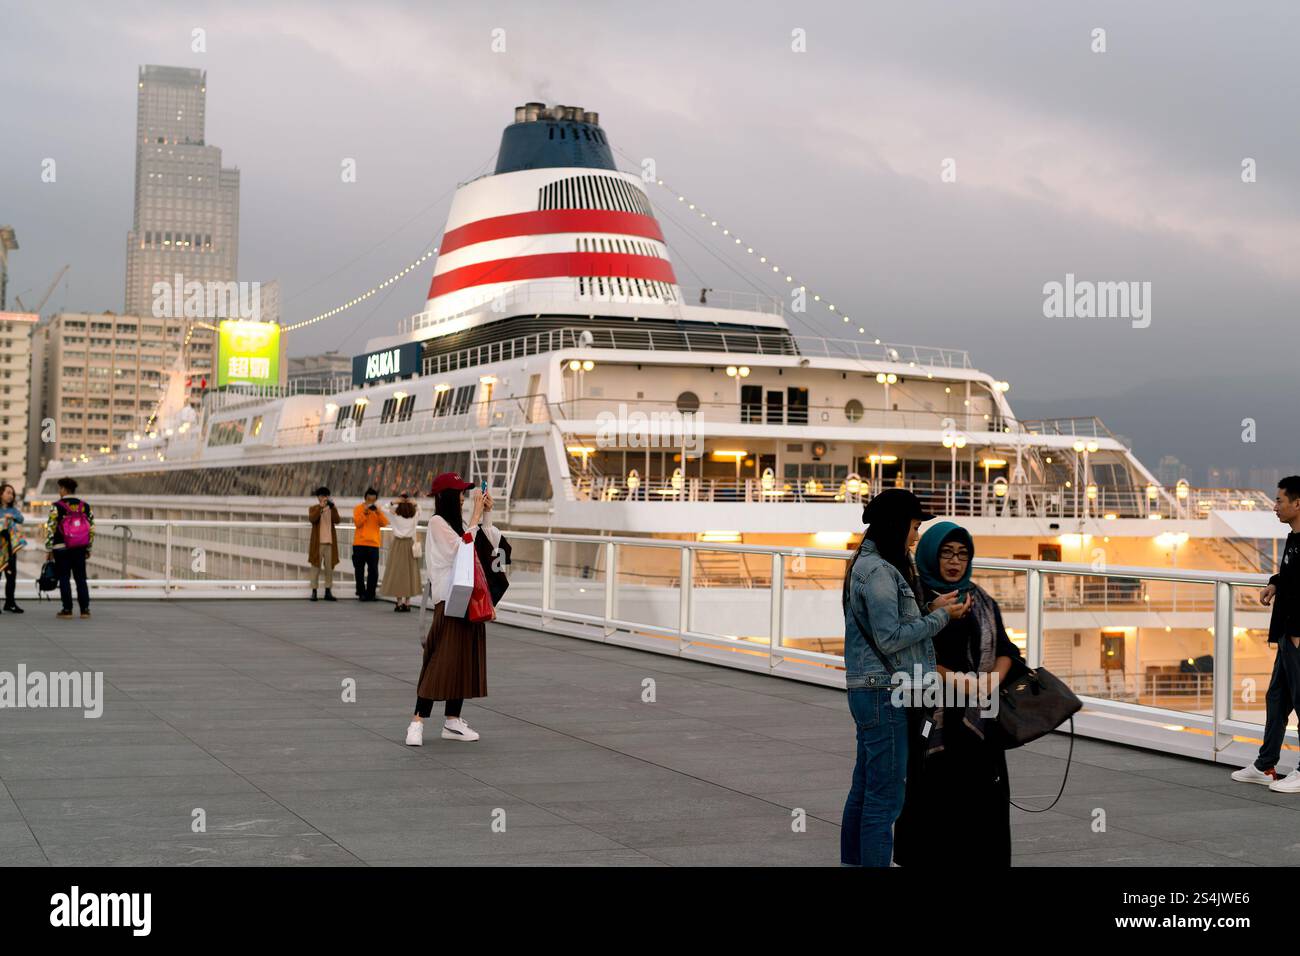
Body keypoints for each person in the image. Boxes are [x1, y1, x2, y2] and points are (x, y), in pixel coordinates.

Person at [840, 488, 969, 867]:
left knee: (864, 790)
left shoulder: (867, 564)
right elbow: (891, 637)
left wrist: (929, 606)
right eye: (913, 527)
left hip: (871, 690)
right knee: (886, 799)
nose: (916, 536)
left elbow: (889, 623)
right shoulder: (880, 572)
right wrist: (942, 617)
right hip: (885, 692)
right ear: (897, 526)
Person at [893, 521, 1025, 867]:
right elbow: (904, 656)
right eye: (946, 553)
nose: (955, 562)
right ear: (931, 555)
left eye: (963, 554)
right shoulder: (914, 600)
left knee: (983, 814)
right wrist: (957, 680)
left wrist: (990, 681)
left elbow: (1009, 651)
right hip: (931, 723)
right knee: (932, 810)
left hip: (980, 726)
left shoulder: (980, 600)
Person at [404, 473, 500, 746]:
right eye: (459, 493)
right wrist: (475, 514)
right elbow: (460, 549)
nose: (463, 497)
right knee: (438, 662)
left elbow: (485, 546)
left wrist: (486, 516)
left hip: (467, 600)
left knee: (462, 662)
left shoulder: (458, 524)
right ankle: (417, 722)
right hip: (448, 602)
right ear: (446, 496)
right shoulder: (437, 523)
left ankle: (453, 720)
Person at [1232, 476, 1300, 793]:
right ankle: (1265, 765)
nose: (1274, 507)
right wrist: (1274, 582)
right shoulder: (1294, 538)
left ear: (1297, 504)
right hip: (1286, 632)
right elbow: (1291, 576)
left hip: (1297, 634)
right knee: (1276, 699)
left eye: (1279, 501)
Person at [44, 477, 94, 619]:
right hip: (79, 547)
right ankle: (84, 610)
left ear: (64, 489)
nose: (59, 491)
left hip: (61, 547)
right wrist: (88, 548)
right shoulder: (85, 506)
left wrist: (48, 549)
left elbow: (51, 528)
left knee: (64, 578)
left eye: (60, 488)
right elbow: (91, 528)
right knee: (80, 578)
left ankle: (67, 610)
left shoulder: (56, 506)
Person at [380, 492, 421, 612]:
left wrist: (394, 502)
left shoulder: (395, 516)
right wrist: (415, 503)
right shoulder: (415, 515)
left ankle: (398, 602)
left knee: (397, 573)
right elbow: (420, 509)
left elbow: (383, 508)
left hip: (397, 544)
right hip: (409, 544)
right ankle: (407, 602)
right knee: (409, 573)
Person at [352, 487, 388, 601]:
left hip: (374, 544)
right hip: (359, 543)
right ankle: (361, 593)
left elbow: (384, 523)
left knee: (373, 571)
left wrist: (377, 511)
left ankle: (371, 593)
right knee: (359, 570)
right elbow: (358, 523)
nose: (371, 502)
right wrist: (365, 511)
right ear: (365, 499)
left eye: (373, 500)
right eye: (369, 500)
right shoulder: (358, 508)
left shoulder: (378, 510)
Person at [308, 487, 340, 602]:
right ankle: (314, 591)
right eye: (321, 496)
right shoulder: (314, 508)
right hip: (318, 543)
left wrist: (333, 508)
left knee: (329, 568)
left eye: (325, 496)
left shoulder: (331, 508)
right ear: (318, 497)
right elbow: (312, 519)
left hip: (330, 543)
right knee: (315, 567)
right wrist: (321, 507)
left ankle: (328, 591)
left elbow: (337, 520)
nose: (323, 498)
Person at [0, 484, 25, 613]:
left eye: (12, 493)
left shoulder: (13, 510)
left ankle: (10, 603)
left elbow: (21, 519)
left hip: (10, 547)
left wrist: (13, 517)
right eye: (8, 492)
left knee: (11, 576)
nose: (10, 495)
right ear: (1, 494)